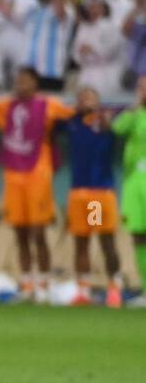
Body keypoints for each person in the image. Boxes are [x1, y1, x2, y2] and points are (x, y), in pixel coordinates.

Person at [0, 66, 75, 302]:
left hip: (38, 175)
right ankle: (27, 282)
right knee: (20, 232)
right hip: (14, 177)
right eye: (17, 81)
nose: (20, 86)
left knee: (38, 232)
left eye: (25, 81)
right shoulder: (7, 106)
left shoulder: (48, 104)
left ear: (35, 84)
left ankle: (45, 282)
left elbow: (73, 115)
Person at [62, 87, 122, 307]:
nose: (85, 100)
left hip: (99, 193)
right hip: (78, 192)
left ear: (98, 101)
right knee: (81, 243)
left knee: (105, 240)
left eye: (90, 97)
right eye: (81, 97)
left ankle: (114, 287)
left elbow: (120, 119)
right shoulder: (71, 122)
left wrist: (107, 120)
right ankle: (83, 291)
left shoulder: (106, 122)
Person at [111, 75, 146, 305]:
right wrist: (136, 107)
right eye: (141, 87)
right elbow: (116, 128)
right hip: (135, 180)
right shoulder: (134, 115)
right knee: (139, 237)